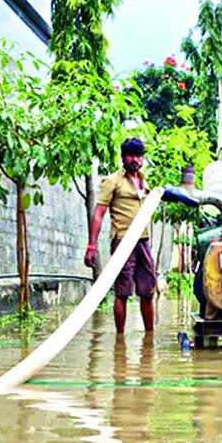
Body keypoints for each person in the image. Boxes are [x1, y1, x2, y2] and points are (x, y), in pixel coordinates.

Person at [85, 138, 156, 334]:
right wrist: (92, 245)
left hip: (143, 241)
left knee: (148, 291)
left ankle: (149, 339)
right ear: (123, 157)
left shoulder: (144, 181)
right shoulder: (113, 181)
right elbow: (99, 213)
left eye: (139, 156)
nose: (135, 160)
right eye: (131, 155)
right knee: (123, 292)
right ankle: (120, 340)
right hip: (123, 242)